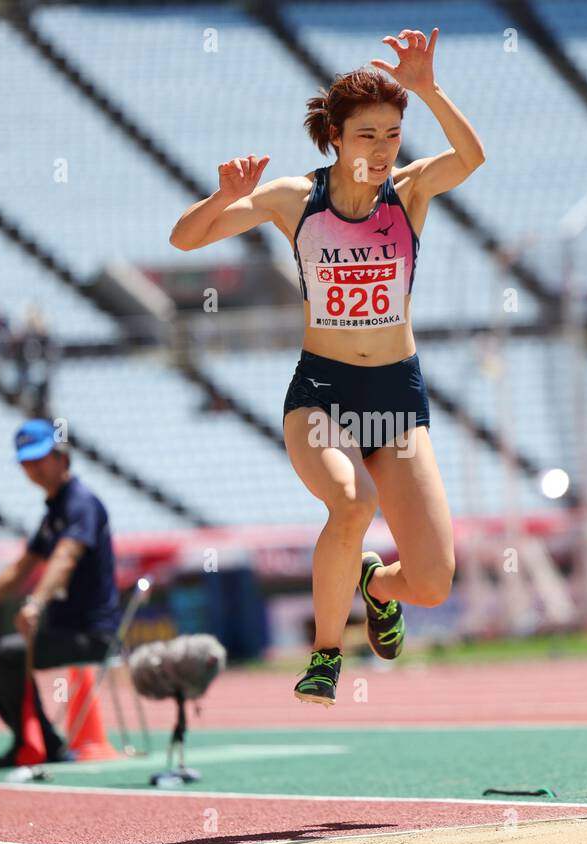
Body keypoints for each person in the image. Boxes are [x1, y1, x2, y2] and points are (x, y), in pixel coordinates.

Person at [169, 28, 484, 705]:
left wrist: (429, 89)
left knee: (431, 581)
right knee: (351, 502)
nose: (382, 148)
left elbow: (472, 156)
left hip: (397, 395)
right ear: (336, 137)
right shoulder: (294, 199)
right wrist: (224, 197)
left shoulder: (412, 191)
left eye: (393, 134)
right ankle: (325, 654)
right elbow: (185, 238)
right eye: (367, 134)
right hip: (323, 393)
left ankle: (375, 586)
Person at [0, 419, 121, 766]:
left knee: (6, 655)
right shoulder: (53, 510)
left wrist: (36, 603)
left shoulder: (81, 503)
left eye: (39, 459)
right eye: (25, 462)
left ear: (61, 456)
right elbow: (19, 569)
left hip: (92, 633)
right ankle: (33, 739)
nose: (32, 469)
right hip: (61, 631)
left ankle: (43, 742)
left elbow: (65, 557)